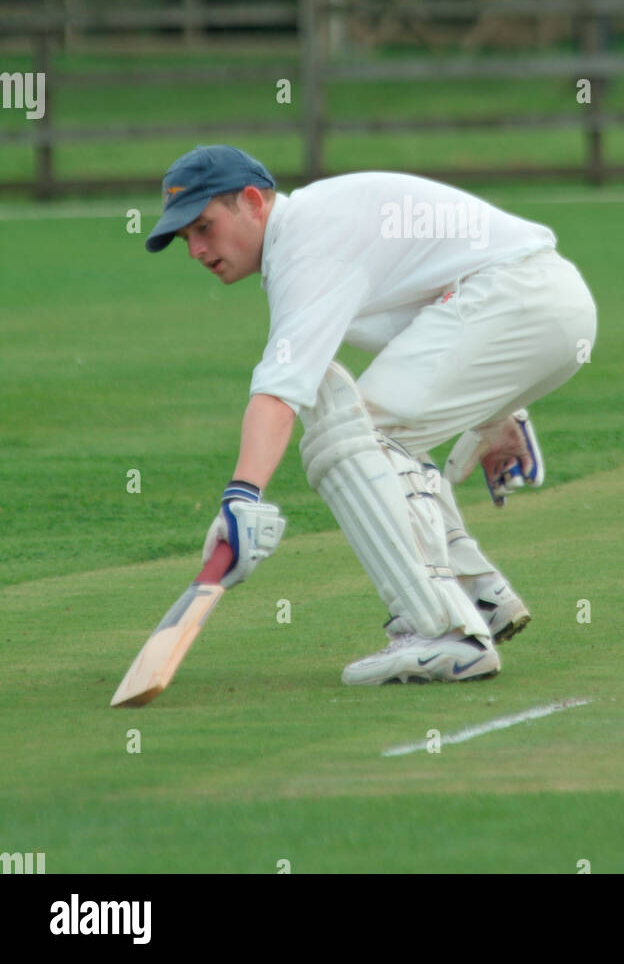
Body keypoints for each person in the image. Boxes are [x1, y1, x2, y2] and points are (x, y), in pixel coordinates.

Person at [146, 144, 597, 686]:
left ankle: (444, 631)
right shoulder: (317, 228)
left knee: (354, 434)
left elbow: (279, 394)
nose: (195, 249)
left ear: (251, 202)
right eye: (184, 238)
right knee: (375, 428)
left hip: (521, 298)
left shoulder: (307, 246)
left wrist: (242, 498)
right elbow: (433, 314)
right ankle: (477, 595)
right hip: (540, 302)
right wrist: (493, 412)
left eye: (203, 227)